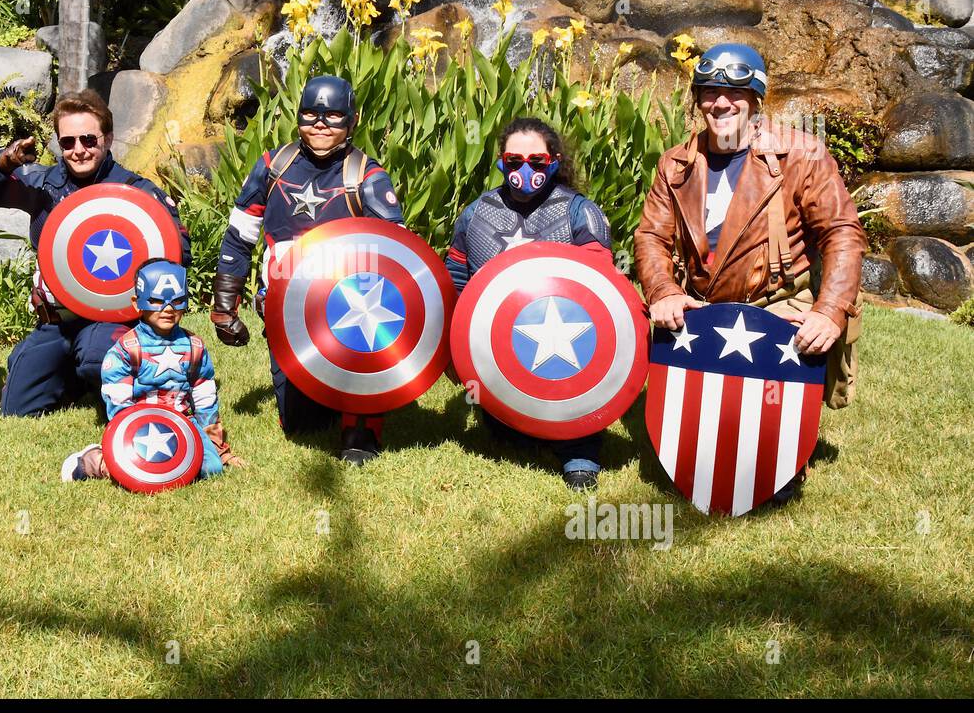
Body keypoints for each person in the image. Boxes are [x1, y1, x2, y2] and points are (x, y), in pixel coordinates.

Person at [634, 42, 867, 499]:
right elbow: (651, 237)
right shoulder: (676, 164)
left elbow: (842, 232)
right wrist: (662, 289)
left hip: (779, 304)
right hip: (705, 307)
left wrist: (830, 310)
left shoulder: (802, 155)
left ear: (757, 99)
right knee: (697, 443)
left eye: (734, 92)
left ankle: (778, 448)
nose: (719, 103)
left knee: (768, 464)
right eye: (708, 91)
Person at [209, 74, 404, 464]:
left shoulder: (365, 175)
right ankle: (326, 393)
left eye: (333, 115)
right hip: (284, 306)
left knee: (354, 381)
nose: (320, 124)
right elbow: (239, 236)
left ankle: (361, 424)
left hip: (350, 307)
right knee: (302, 424)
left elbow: (395, 254)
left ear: (352, 120)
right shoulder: (273, 166)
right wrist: (223, 304)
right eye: (311, 114)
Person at [0, 89, 189, 417]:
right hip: (58, 319)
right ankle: (68, 377)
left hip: (114, 318)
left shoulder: (137, 192)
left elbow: (177, 252)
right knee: (18, 408)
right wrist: (5, 160)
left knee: (98, 357)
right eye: (67, 142)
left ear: (107, 139)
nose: (78, 150)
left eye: (88, 139)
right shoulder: (41, 185)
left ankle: (106, 377)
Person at [445, 117, 614, 491]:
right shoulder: (476, 214)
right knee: (510, 434)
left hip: (570, 342)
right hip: (498, 350)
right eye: (514, 159)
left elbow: (605, 295)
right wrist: (452, 351)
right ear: (501, 162)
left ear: (554, 161)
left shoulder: (579, 213)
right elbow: (454, 283)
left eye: (536, 161)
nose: (525, 169)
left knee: (570, 404)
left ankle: (580, 451)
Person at [61, 259, 240, 481]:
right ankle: (96, 459)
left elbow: (205, 398)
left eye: (176, 301)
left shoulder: (194, 346)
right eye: (156, 301)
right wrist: (124, 444)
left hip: (182, 421)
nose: (168, 309)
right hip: (139, 424)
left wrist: (218, 448)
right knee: (134, 473)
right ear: (137, 303)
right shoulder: (125, 350)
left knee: (210, 469)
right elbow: (119, 405)